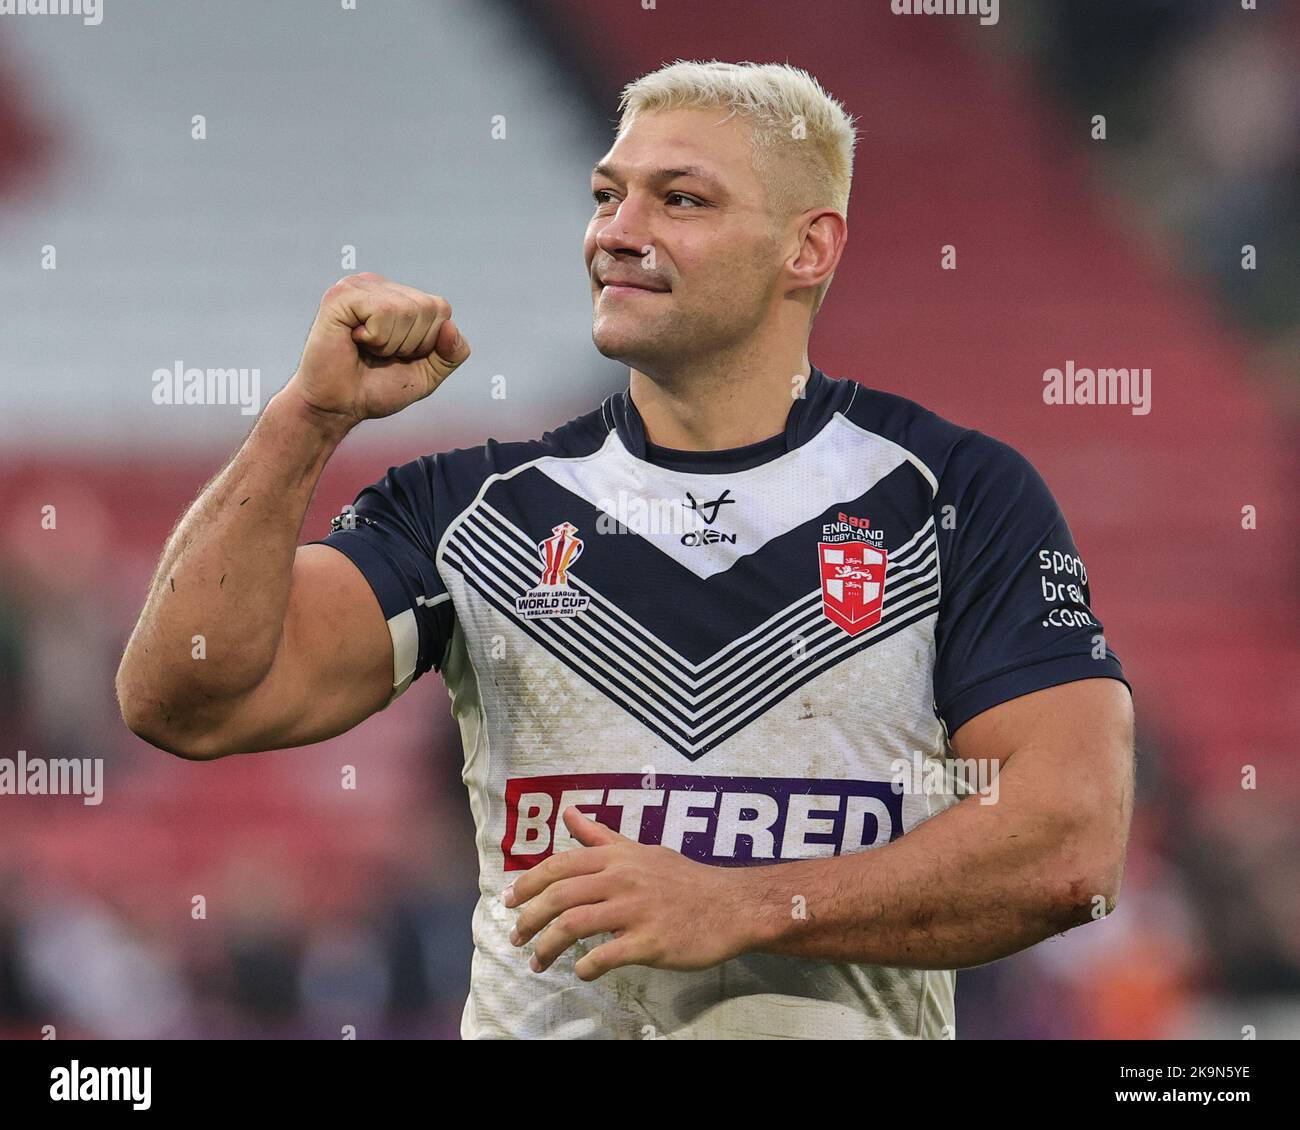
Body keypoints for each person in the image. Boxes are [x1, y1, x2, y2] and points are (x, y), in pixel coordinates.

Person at [117, 60, 1134, 1039]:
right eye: (608, 195)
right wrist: (306, 418)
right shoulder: (472, 506)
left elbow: (1069, 844)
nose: (618, 231)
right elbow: (187, 698)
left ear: (807, 248)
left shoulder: (951, 494)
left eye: (680, 200)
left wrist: (745, 905)